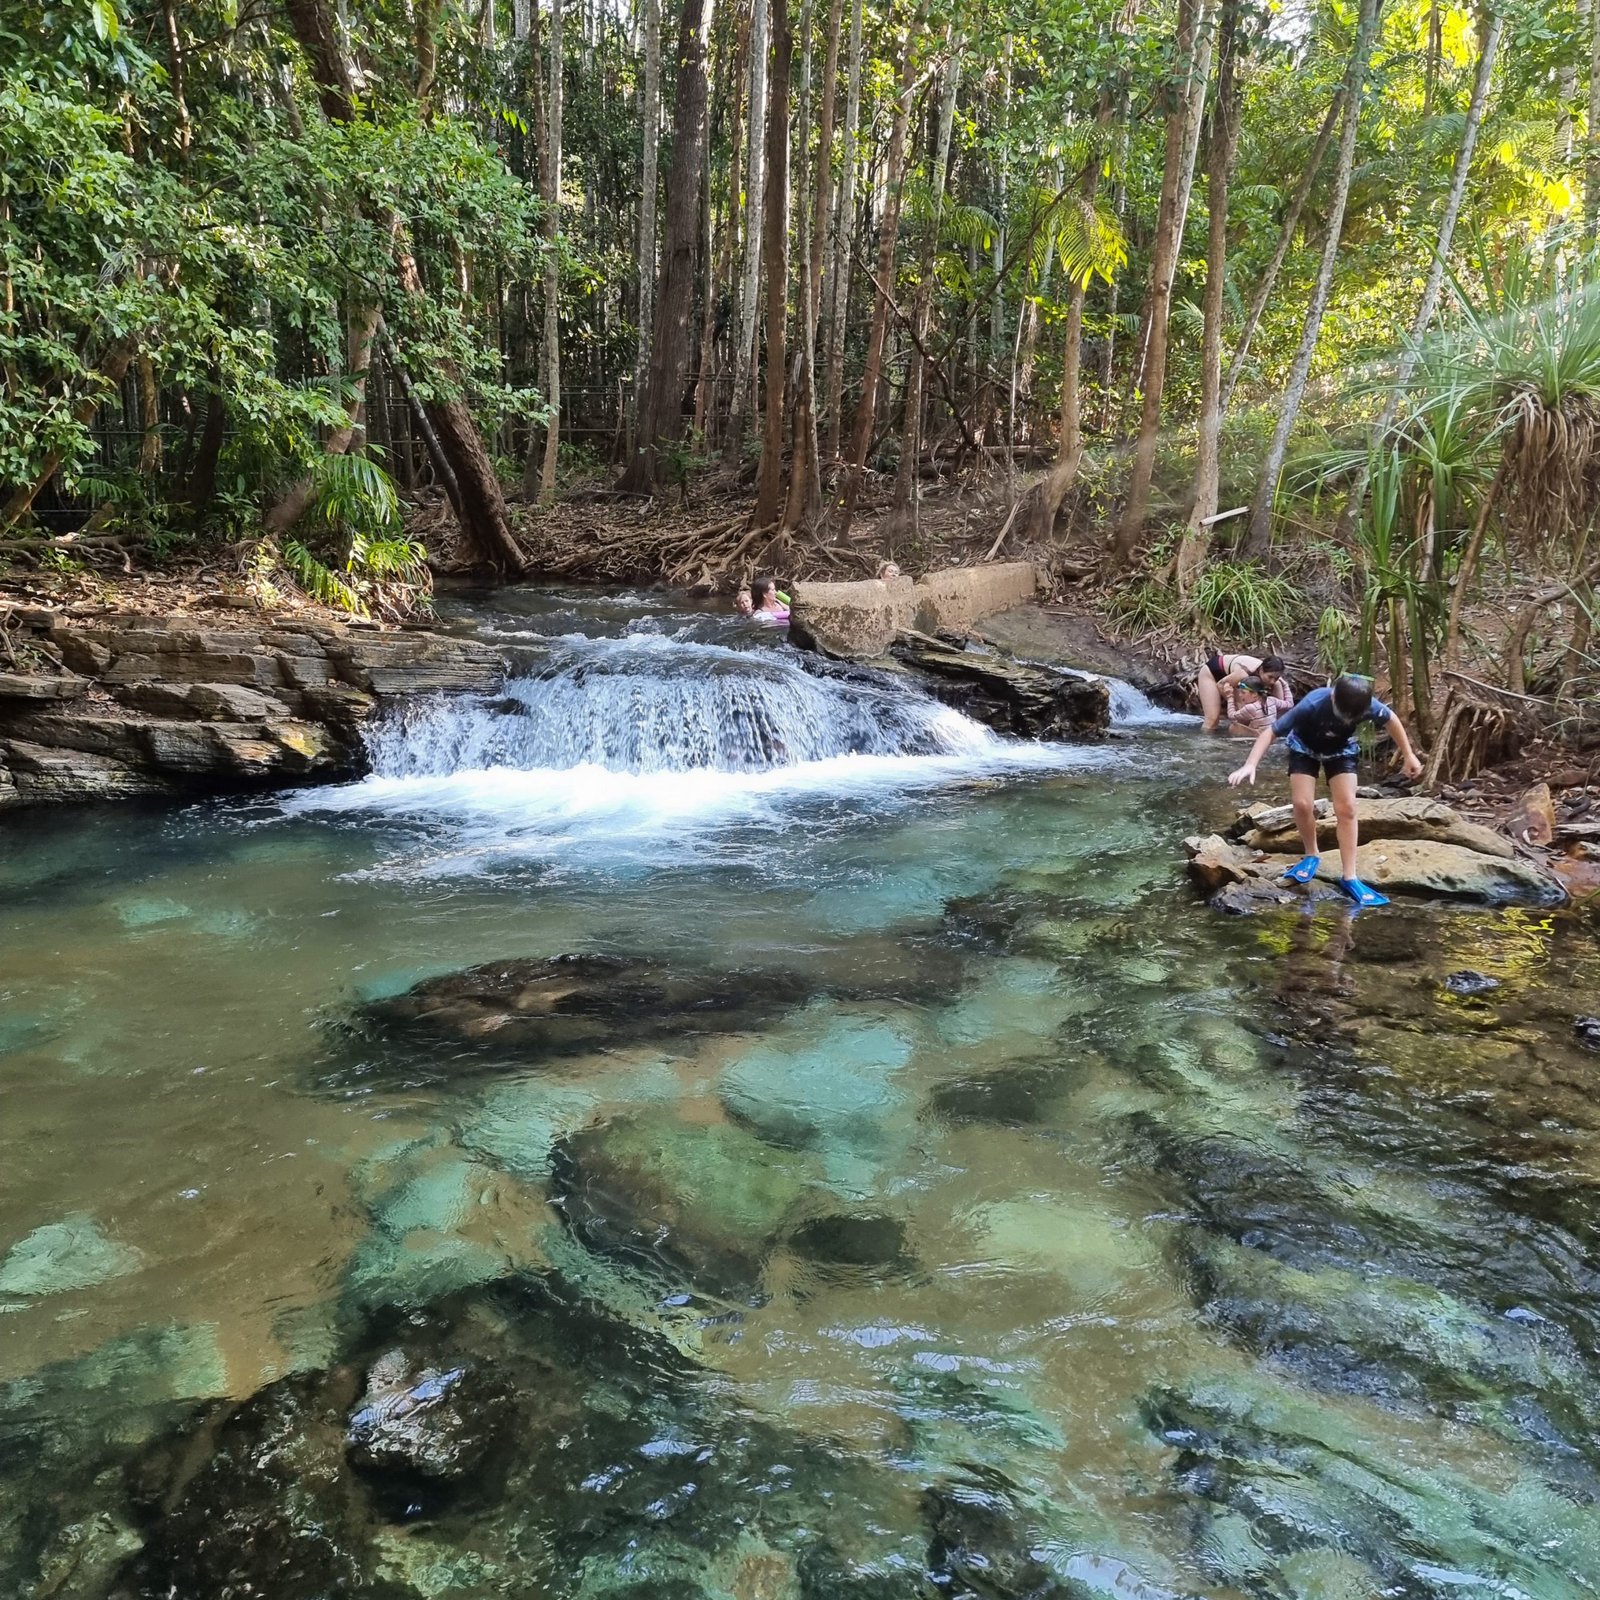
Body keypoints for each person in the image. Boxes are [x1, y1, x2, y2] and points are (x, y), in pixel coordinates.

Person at [1228, 673, 1424, 908]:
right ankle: (1312, 855)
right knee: (1302, 804)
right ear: (1332, 697)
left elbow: (1391, 719)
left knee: (1348, 808)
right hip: (1304, 747)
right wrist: (1250, 764)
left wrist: (1409, 753)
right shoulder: (1312, 703)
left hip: (1341, 749)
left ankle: (1350, 876)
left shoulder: (1365, 703)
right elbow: (1271, 733)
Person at [1197, 650, 1286, 732]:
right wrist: (1234, 703)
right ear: (1261, 670)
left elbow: (1280, 711)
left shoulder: (1276, 681)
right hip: (1212, 673)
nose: (1272, 681)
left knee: (1247, 716)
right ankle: (1204, 745)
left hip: (1235, 681)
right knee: (1212, 719)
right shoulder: (1244, 673)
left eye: (1276, 678)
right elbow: (1221, 684)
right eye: (1270, 677)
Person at [1224, 656, 1293, 734]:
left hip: (1260, 736)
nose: (1240, 695)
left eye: (1243, 692)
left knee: (1234, 726)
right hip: (1272, 734)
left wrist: (1230, 696)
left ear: (1255, 694)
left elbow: (1231, 716)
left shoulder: (1250, 707)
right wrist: (1285, 684)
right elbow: (1290, 704)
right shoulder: (1272, 700)